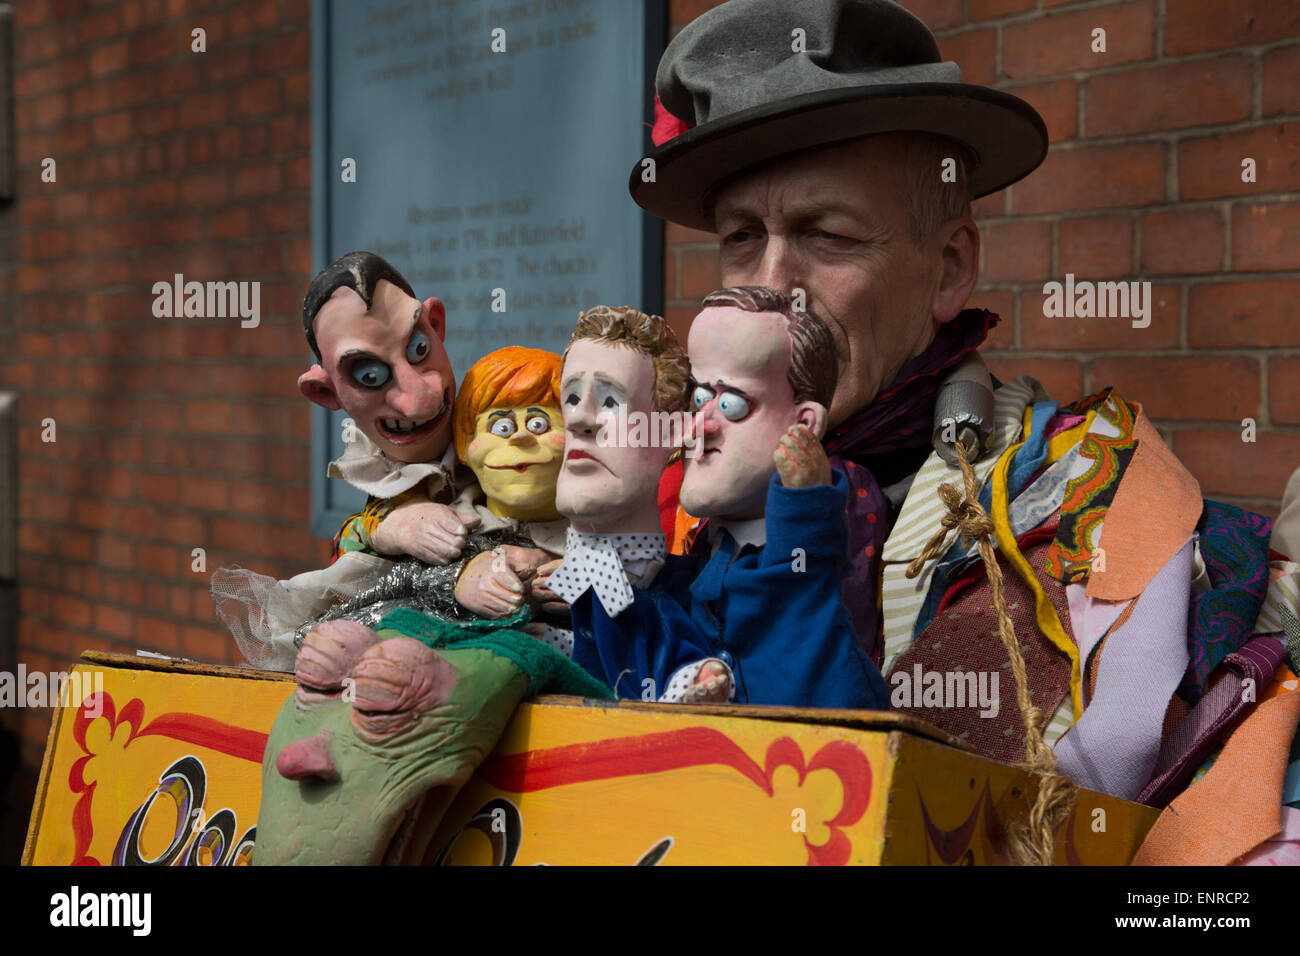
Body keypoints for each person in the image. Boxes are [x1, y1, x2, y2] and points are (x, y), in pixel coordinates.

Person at [631, 0, 1298, 864]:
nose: (772, 288)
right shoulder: (677, 505)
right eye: (740, 239)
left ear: (948, 269)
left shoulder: (1080, 503)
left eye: (824, 236)